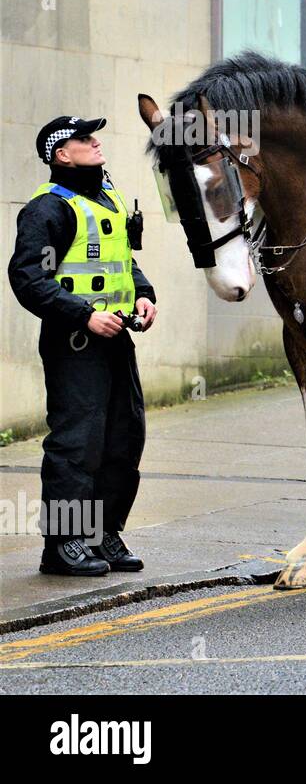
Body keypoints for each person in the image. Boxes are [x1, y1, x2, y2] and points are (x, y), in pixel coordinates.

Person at [8, 116, 157, 576]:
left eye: (94, 136)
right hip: (73, 341)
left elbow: (122, 264)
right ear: (61, 154)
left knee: (123, 437)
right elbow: (28, 278)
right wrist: (84, 314)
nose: (95, 142)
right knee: (77, 444)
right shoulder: (46, 208)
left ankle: (102, 532)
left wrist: (145, 293)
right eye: (83, 139)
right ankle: (63, 544)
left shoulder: (107, 197)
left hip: (117, 338)